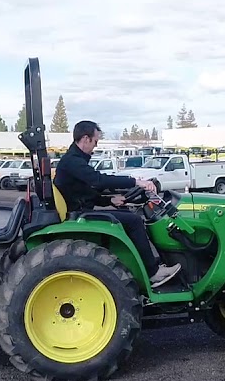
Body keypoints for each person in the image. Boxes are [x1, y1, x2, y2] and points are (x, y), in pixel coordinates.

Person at [52, 120, 182, 287]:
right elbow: (98, 180)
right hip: (78, 213)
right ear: (85, 139)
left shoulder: (74, 159)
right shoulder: (73, 160)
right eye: (95, 141)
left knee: (129, 216)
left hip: (78, 208)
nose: (95, 146)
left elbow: (83, 191)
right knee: (134, 221)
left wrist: (110, 200)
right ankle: (153, 272)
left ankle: (147, 264)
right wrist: (136, 181)